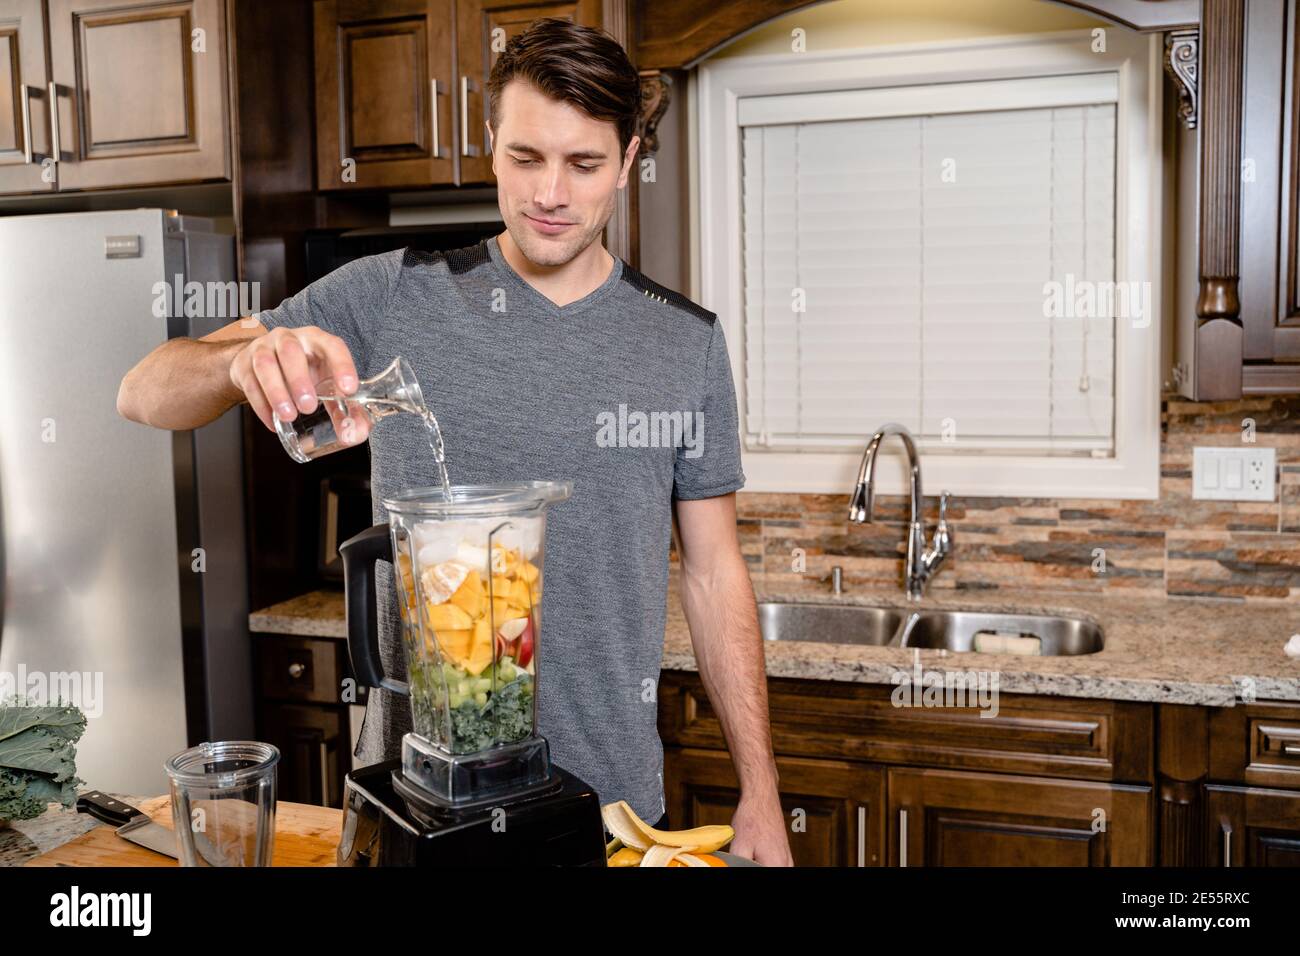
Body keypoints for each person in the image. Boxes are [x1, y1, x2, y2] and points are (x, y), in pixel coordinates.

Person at [118, 17, 793, 866]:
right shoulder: (393, 295)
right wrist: (244, 361)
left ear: (627, 163)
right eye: (525, 157)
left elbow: (713, 569)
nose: (549, 192)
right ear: (490, 144)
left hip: (611, 810)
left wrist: (762, 794)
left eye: (584, 164)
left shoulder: (684, 343)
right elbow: (144, 391)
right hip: (413, 806)